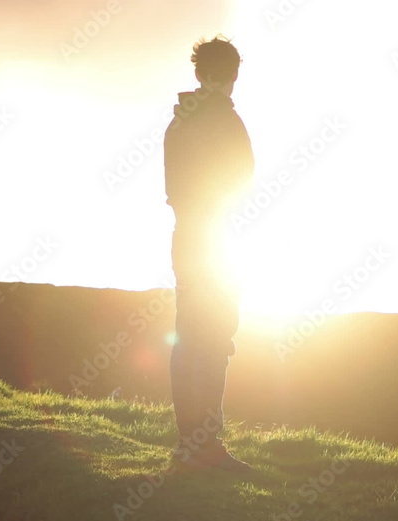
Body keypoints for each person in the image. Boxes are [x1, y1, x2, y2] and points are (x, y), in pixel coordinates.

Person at [164, 36, 254, 472]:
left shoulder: (179, 122)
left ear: (199, 73)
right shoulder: (225, 122)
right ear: (234, 76)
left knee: (190, 340)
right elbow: (243, 182)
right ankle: (205, 446)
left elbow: (177, 190)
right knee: (214, 340)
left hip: (189, 239)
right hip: (218, 239)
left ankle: (191, 442)